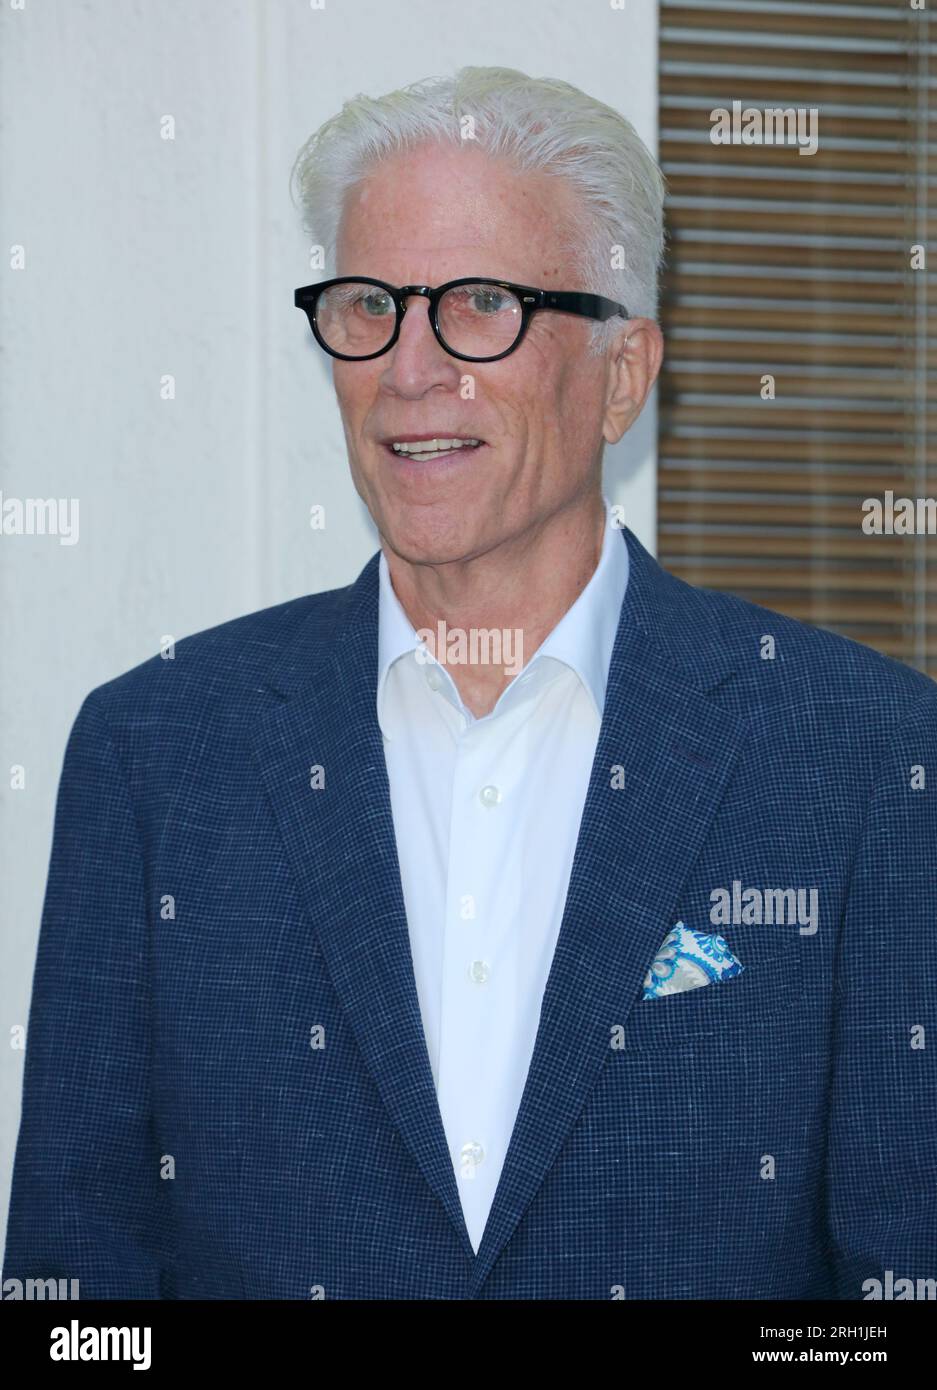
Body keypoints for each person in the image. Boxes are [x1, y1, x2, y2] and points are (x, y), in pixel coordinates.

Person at [4, 67, 935, 1300]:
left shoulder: (860, 755)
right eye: (367, 305)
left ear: (622, 374)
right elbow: (73, 1300)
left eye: (481, 304)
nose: (408, 367)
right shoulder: (158, 749)